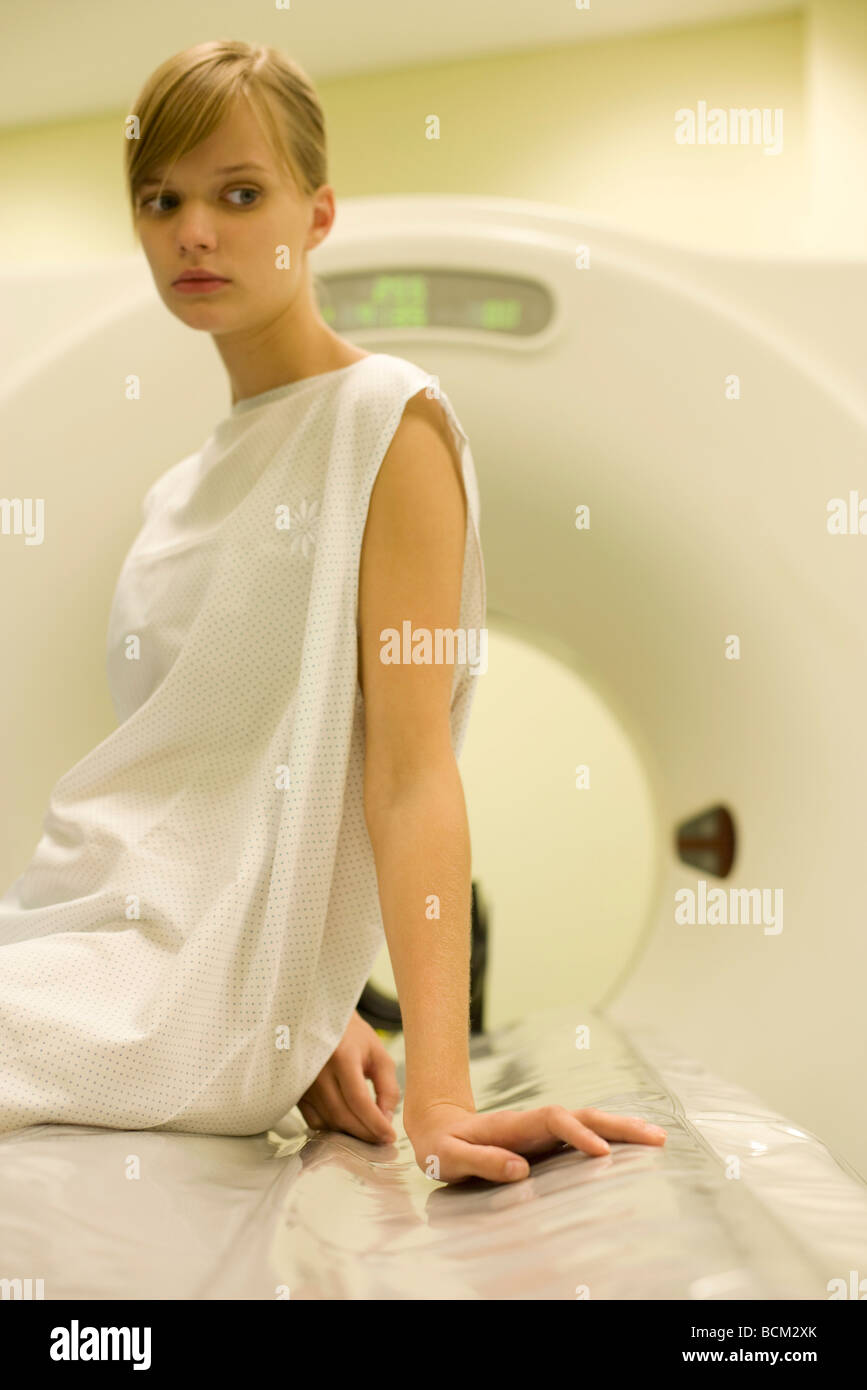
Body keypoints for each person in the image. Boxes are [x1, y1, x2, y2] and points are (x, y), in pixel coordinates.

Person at [0, 39, 665, 1183]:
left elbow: (409, 773)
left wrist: (441, 1099)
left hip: (174, 1004)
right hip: (82, 931)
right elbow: (203, 803)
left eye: (237, 194)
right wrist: (319, 1013)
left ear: (316, 216)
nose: (193, 232)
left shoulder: (384, 421)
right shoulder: (176, 493)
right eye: (161, 200)